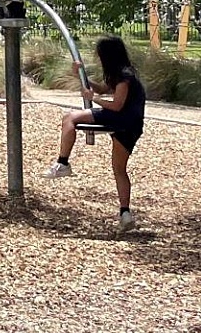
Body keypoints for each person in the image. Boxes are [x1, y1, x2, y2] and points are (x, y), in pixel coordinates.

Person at [45, 36, 146, 226]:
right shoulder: (119, 73)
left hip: (122, 120)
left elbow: (116, 105)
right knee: (119, 169)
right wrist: (82, 77)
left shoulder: (125, 76)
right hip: (129, 123)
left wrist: (94, 99)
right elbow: (102, 89)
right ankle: (125, 213)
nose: (98, 58)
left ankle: (63, 162)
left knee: (70, 118)